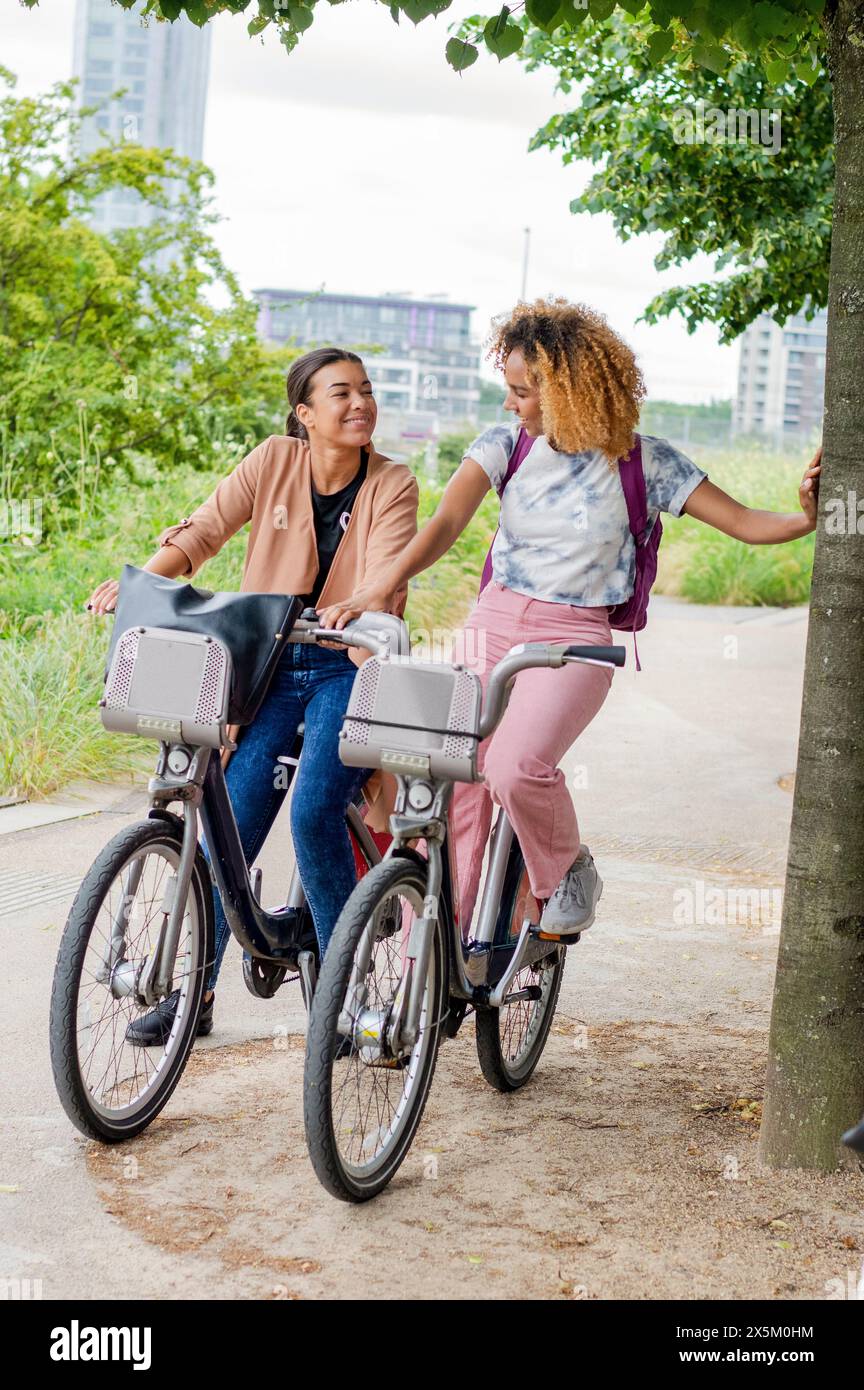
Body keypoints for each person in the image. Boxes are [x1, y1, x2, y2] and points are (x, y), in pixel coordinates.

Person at [319, 299, 821, 940]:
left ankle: (565, 871)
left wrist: (806, 516)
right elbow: (447, 523)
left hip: (576, 637)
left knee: (513, 768)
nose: (512, 405)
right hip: (492, 620)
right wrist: (376, 587)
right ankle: (440, 957)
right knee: (458, 780)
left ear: (570, 390)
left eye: (523, 392)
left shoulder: (646, 462)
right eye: (510, 389)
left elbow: (750, 523)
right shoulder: (505, 445)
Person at [86, 347, 419, 1042]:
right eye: (341, 393)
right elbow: (203, 531)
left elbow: (389, 569)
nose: (360, 403)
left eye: (366, 391)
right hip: (266, 666)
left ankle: (344, 990)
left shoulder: (393, 482)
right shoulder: (273, 460)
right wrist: (143, 583)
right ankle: (191, 997)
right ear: (305, 414)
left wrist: (357, 604)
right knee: (224, 828)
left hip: (345, 666)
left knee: (315, 813)